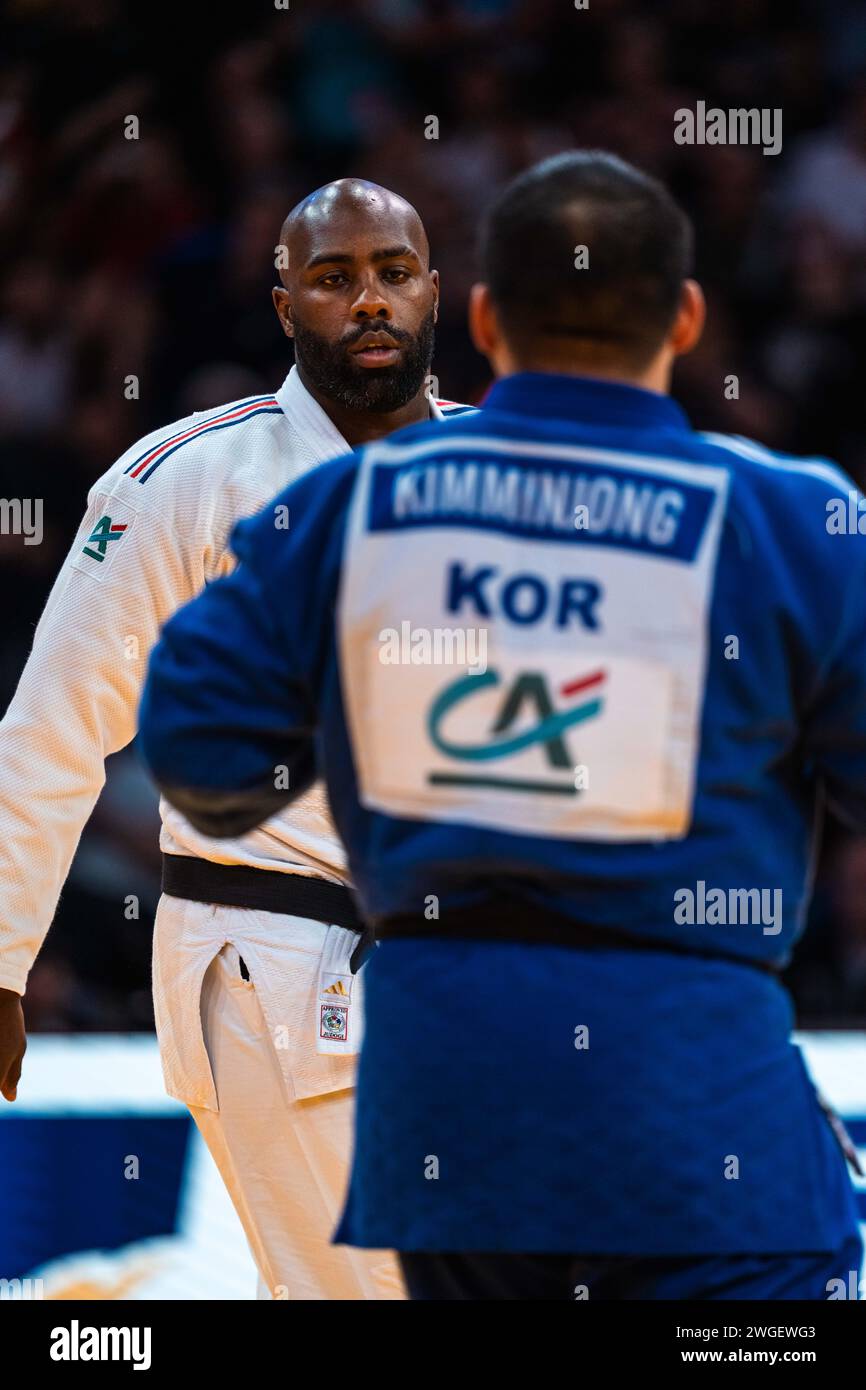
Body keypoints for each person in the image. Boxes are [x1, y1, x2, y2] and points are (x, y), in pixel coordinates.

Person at [137, 151, 864, 1300]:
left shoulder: (341, 511)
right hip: (692, 1082)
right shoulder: (797, 516)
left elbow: (199, 758)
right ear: (683, 316)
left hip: (445, 1101)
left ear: (477, 313)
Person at [0, 177, 474, 1300]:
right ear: (282, 307)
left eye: (391, 274)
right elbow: (52, 731)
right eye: (332, 277)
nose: (368, 300)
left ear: (433, 294)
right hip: (277, 952)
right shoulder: (186, 482)